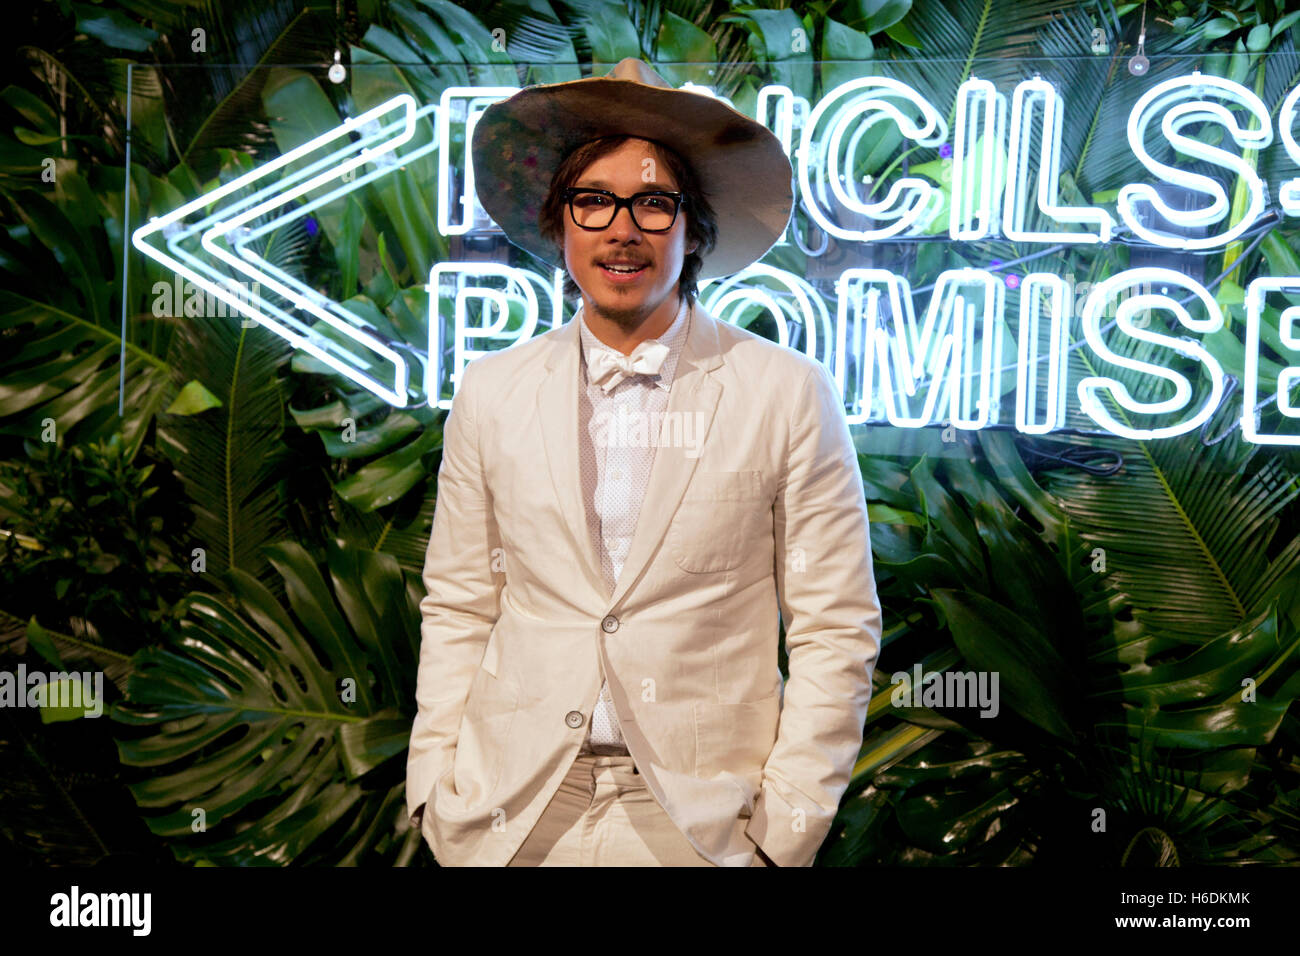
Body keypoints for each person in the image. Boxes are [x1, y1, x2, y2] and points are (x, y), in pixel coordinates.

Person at [406, 58, 882, 867]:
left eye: (653, 203)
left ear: (693, 230)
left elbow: (835, 625)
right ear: (560, 224)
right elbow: (460, 604)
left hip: (702, 822)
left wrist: (785, 833)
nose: (621, 229)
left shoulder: (787, 391)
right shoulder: (491, 391)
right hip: (510, 815)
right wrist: (432, 787)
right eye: (593, 200)